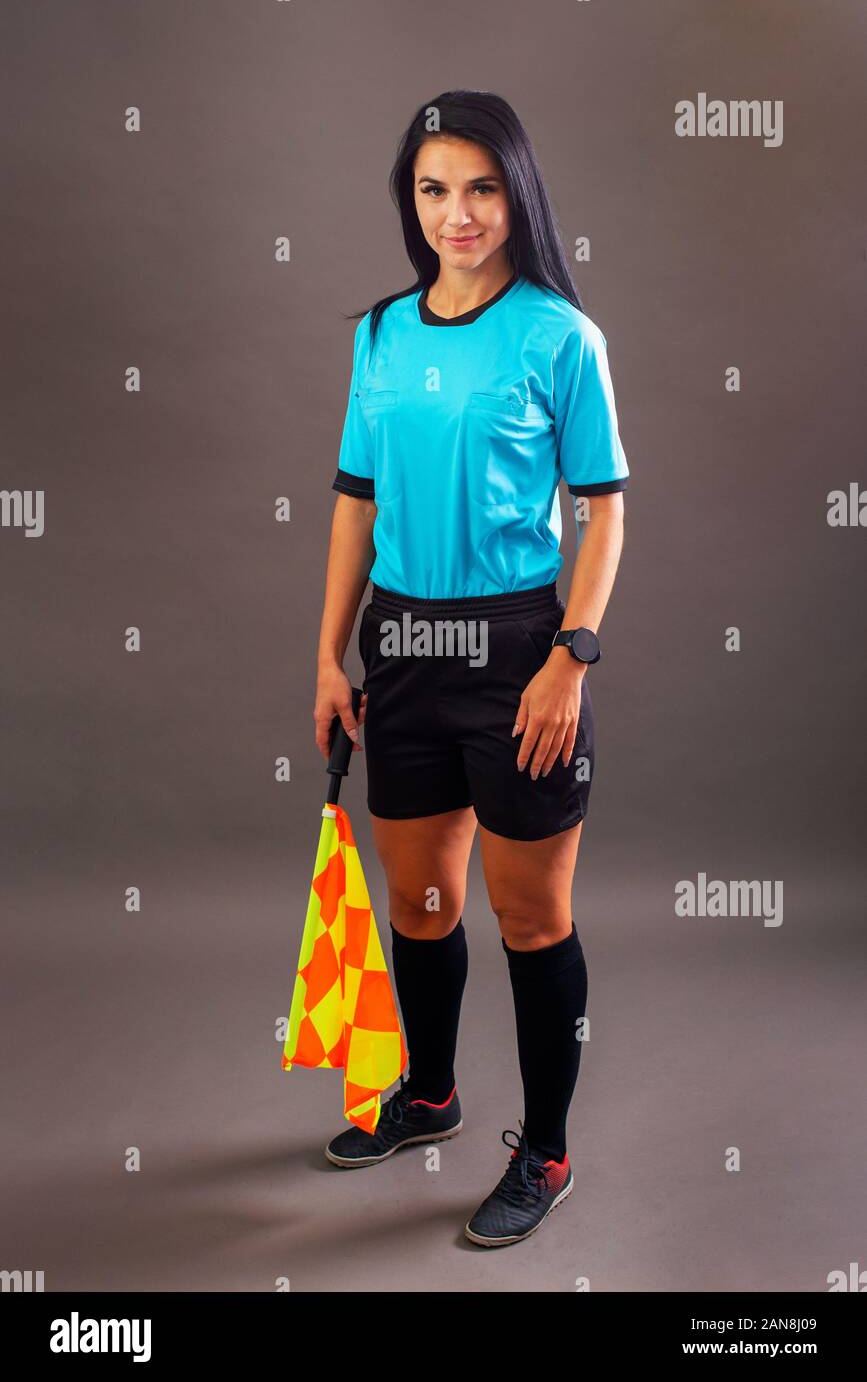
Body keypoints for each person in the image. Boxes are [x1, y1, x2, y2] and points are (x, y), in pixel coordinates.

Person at [312, 89, 629, 1248]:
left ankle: (544, 1154)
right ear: (412, 199)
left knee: (531, 917)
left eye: (482, 188)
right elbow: (355, 504)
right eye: (435, 188)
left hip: (515, 655)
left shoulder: (559, 335)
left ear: (517, 194)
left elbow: (605, 511)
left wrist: (571, 656)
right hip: (399, 649)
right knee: (423, 899)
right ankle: (432, 1094)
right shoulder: (381, 333)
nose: (459, 212)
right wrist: (330, 656)